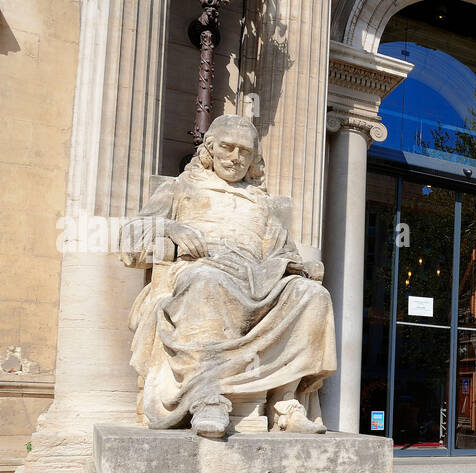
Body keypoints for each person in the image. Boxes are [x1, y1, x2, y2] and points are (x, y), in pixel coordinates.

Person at [120, 115, 336, 438]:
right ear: (210, 149)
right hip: (203, 271)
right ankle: (205, 395)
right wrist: (171, 228)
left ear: (253, 159)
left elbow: (283, 253)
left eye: (244, 152)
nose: (236, 158)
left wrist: (303, 267)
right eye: (227, 147)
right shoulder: (181, 188)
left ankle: (285, 402)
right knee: (206, 281)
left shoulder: (261, 204)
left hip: (258, 280)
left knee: (313, 295)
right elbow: (130, 239)